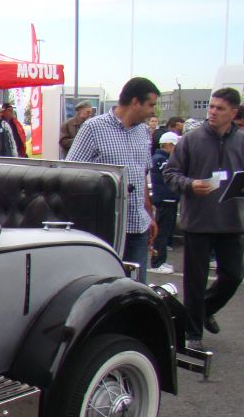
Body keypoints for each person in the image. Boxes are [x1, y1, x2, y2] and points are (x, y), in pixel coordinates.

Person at [162, 87, 244, 352]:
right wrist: (190, 184)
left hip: (231, 221)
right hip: (198, 221)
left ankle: (201, 311)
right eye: (211, 106)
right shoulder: (190, 140)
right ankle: (192, 333)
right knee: (195, 282)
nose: (212, 112)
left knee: (232, 276)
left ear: (233, 112)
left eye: (220, 108)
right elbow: (170, 173)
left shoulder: (241, 141)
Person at [66, 76, 160, 283]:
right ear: (135, 102)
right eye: (151, 105)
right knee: (106, 287)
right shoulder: (93, 128)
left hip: (138, 226)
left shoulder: (143, 131)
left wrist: (149, 213)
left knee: (136, 288)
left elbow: (142, 173)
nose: (153, 111)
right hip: (106, 229)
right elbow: (71, 174)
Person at [148, 131, 180, 275]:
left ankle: (160, 260)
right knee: (161, 233)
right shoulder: (161, 159)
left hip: (169, 199)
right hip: (165, 200)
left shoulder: (162, 158)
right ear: (167, 145)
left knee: (164, 233)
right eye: (174, 146)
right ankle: (157, 263)